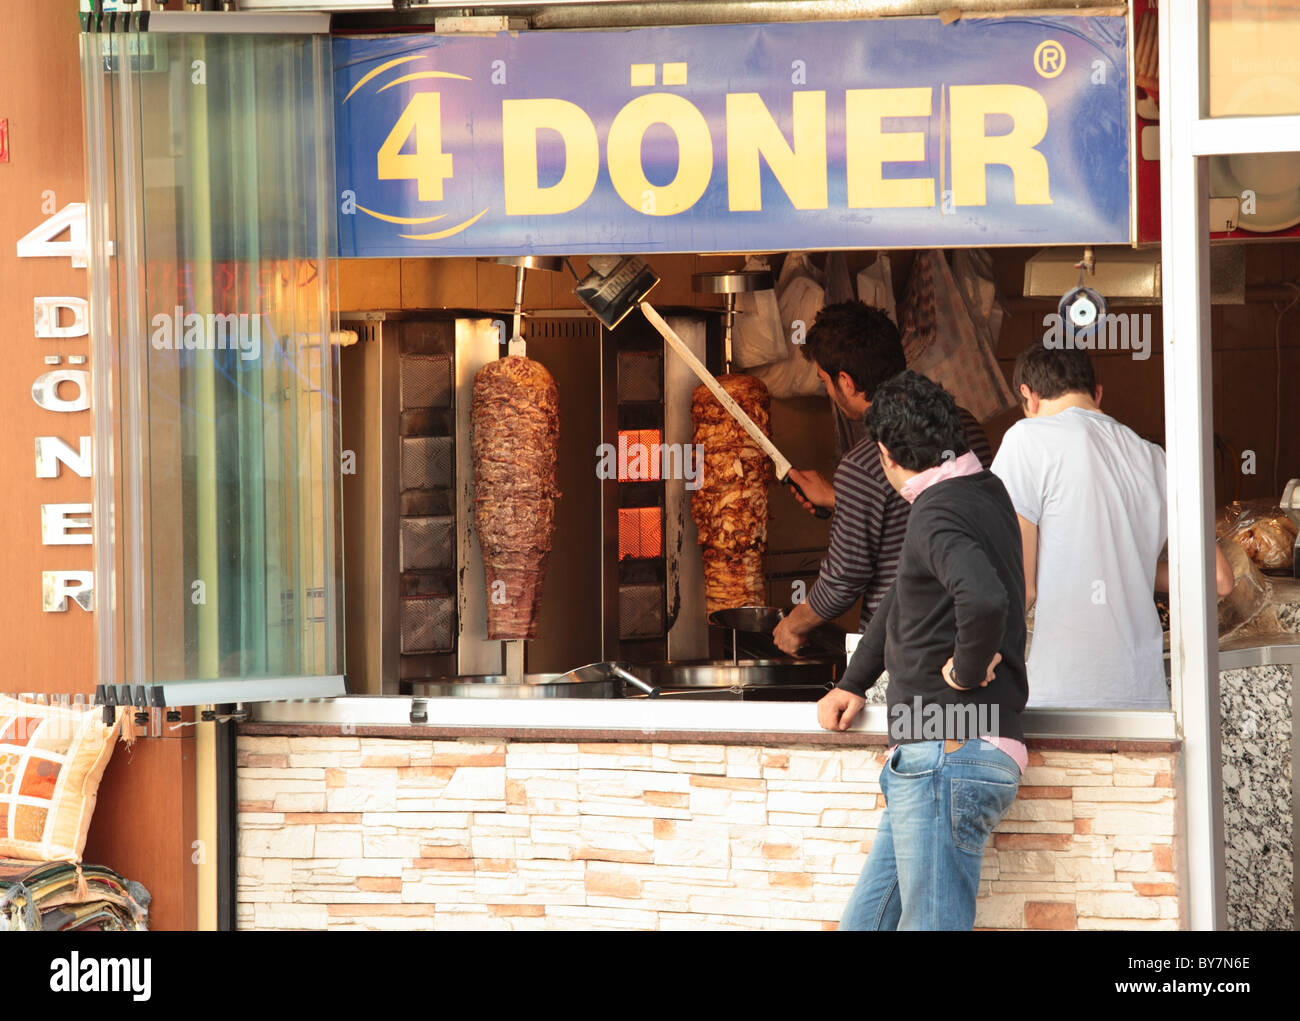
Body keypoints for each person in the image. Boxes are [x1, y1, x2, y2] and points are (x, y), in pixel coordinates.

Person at [818, 371, 1027, 931]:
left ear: (885, 454)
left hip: (945, 749)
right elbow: (904, 596)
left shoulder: (937, 510)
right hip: (933, 754)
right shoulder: (981, 491)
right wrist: (853, 680)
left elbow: (983, 599)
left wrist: (963, 670)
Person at [772, 301, 991, 656]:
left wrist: (793, 625)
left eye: (825, 382)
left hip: (906, 645)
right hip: (972, 633)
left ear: (846, 381)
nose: (829, 392)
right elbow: (925, 506)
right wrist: (839, 499)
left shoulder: (863, 464)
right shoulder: (964, 424)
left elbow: (844, 578)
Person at [991, 344, 1176, 709]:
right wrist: (1127, 567)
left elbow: (1020, 588)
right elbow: (1219, 579)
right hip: (1146, 692)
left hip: (1065, 690)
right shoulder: (1155, 457)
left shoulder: (1027, 438)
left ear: (1028, 394)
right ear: (1098, 394)